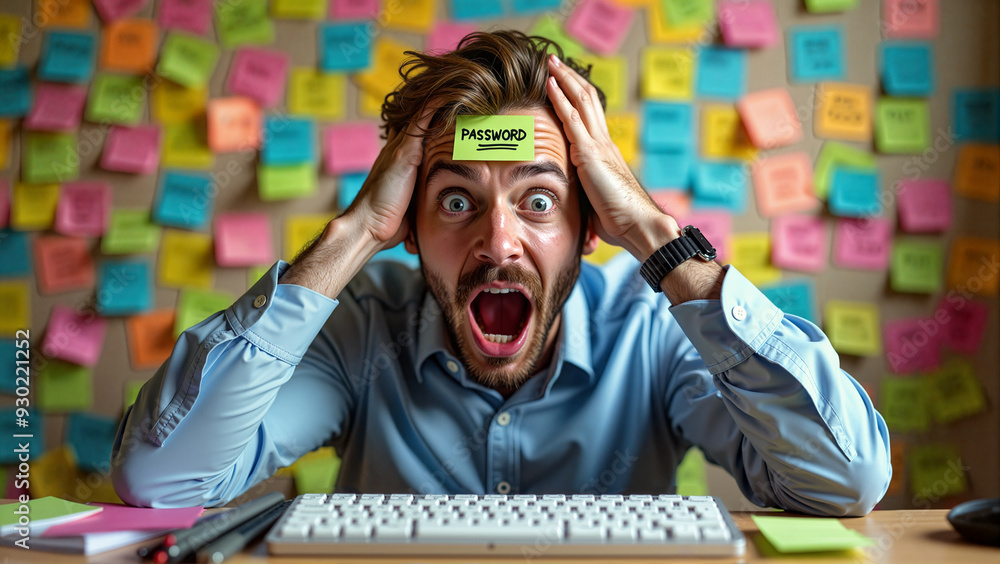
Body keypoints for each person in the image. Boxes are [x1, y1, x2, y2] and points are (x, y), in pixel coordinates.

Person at [112, 30, 891, 515]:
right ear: (408, 231)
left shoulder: (653, 331)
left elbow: (845, 480)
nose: (498, 241)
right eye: (455, 201)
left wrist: (653, 233)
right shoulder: (360, 328)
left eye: (541, 202)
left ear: (591, 229)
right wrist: (352, 235)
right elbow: (162, 481)